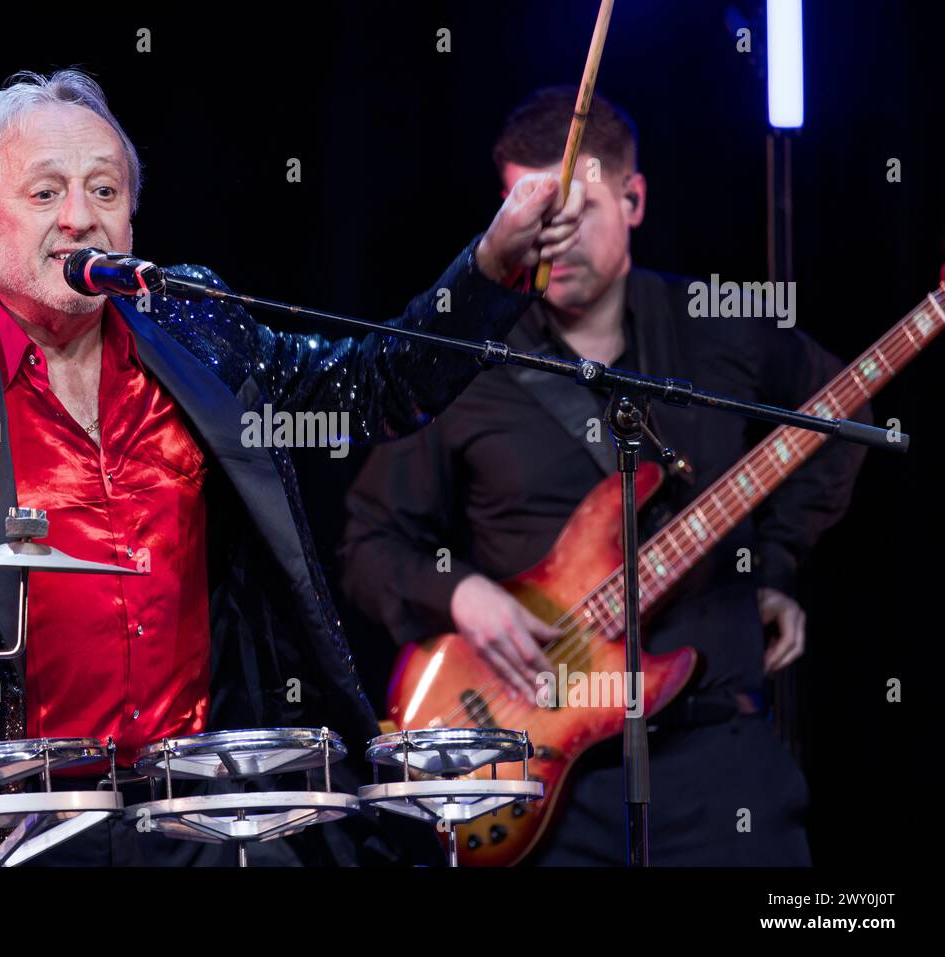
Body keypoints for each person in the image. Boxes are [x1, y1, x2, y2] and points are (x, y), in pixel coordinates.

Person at [0, 69, 583, 865]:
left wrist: (492, 269)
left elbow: (370, 386)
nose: (80, 216)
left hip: (194, 809)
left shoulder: (195, 322)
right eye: (46, 192)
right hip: (2, 829)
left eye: (104, 191)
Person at [338, 87, 869, 865]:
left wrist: (775, 565)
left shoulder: (722, 324)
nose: (555, 235)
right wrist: (461, 593)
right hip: (540, 771)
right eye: (533, 208)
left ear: (634, 199)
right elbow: (368, 541)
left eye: (579, 208)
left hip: (716, 753)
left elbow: (839, 427)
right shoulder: (466, 364)